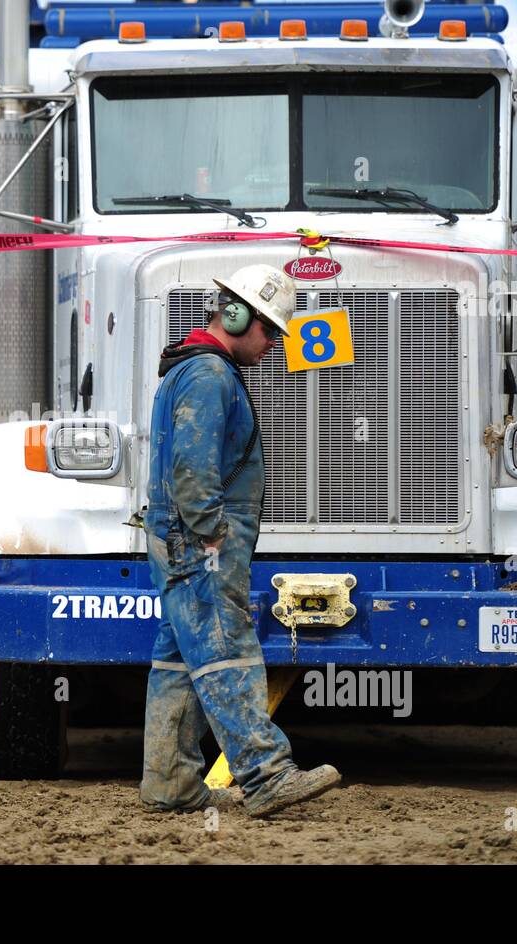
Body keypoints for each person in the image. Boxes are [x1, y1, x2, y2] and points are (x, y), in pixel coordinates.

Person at [140, 263, 341, 818]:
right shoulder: (208, 376)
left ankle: (170, 782)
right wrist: (214, 537)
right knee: (228, 650)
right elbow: (192, 471)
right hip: (200, 546)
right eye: (269, 330)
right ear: (235, 314)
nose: (274, 344)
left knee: (180, 661)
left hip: (180, 543)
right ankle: (265, 774)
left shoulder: (193, 370)